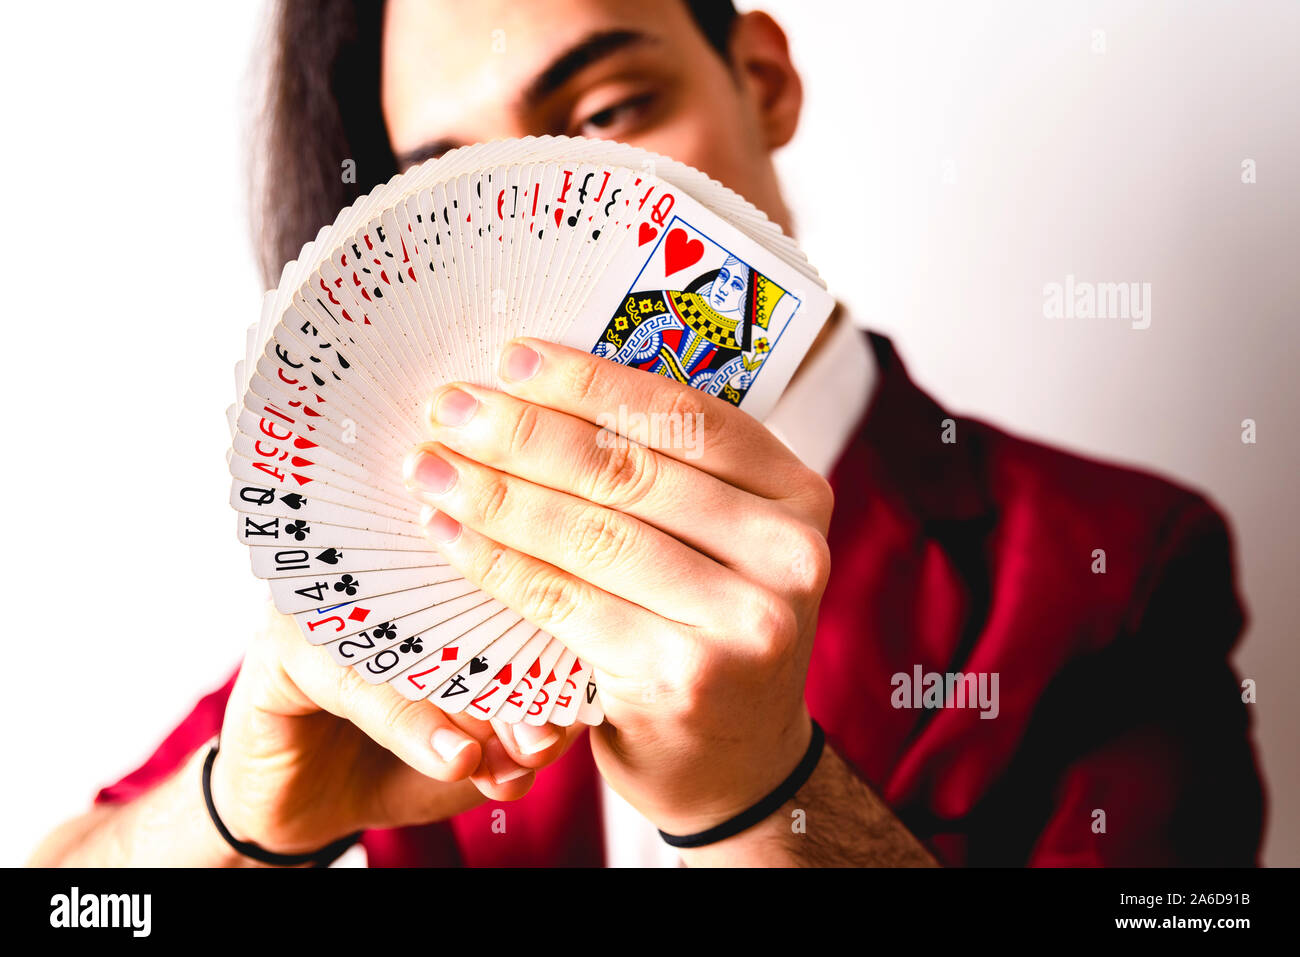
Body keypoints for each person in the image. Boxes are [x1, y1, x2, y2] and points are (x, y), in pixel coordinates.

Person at [30, 0, 1263, 868]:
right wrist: (234, 816)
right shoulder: (404, 567)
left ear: (762, 80)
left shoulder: (1119, 560)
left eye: (609, 109)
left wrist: (759, 802)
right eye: (461, 182)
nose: (554, 224)